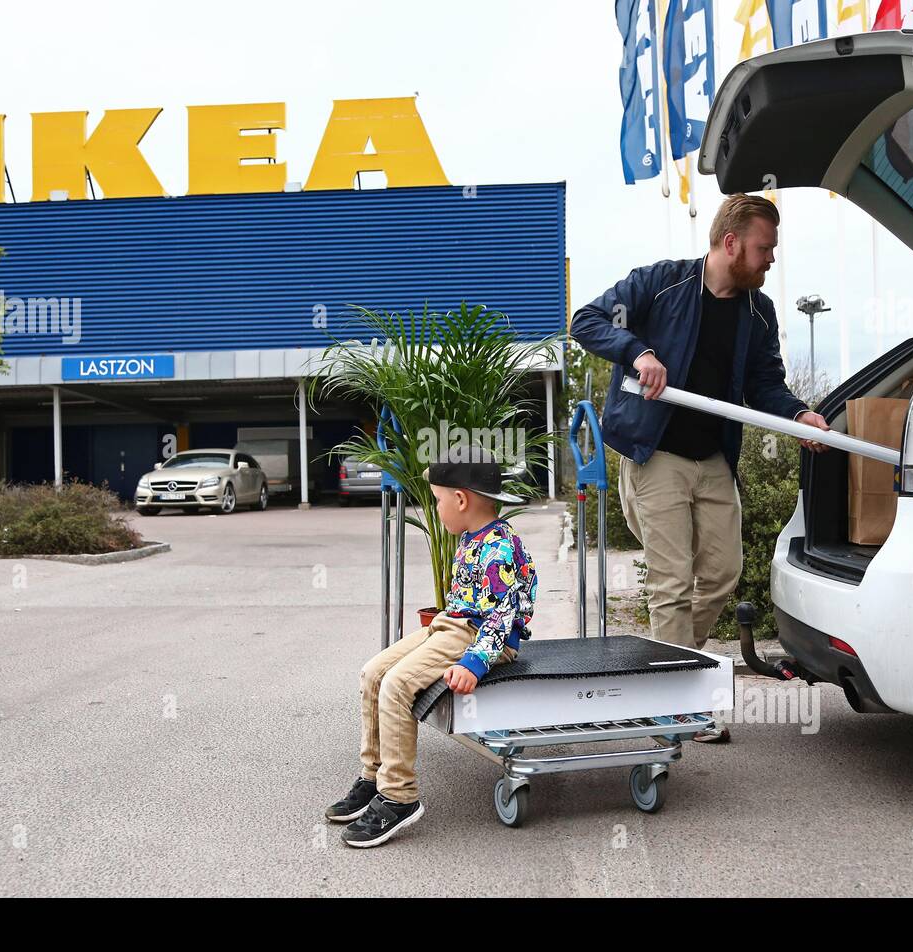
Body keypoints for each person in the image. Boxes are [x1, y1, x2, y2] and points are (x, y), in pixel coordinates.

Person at [570, 193, 831, 742]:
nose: (771, 260)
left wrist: (799, 413)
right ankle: (674, 706)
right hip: (657, 452)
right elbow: (586, 320)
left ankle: (662, 678)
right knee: (670, 583)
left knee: (721, 574)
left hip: (714, 458)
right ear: (731, 243)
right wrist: (636, 352)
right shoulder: (660, 283)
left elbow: (765, 385)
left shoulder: (759, 312)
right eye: (765, 248)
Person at [326, 445, 538, 847]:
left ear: (461, 499)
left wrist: (475, 663)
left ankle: (399, 796)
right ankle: (373, 776)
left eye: (438, 500)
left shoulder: (500, 547)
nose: (435, 509)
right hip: (452, 625)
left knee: (397, 684)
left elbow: (505, 612)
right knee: (374, 672)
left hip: (479, 637)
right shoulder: (473, 536)